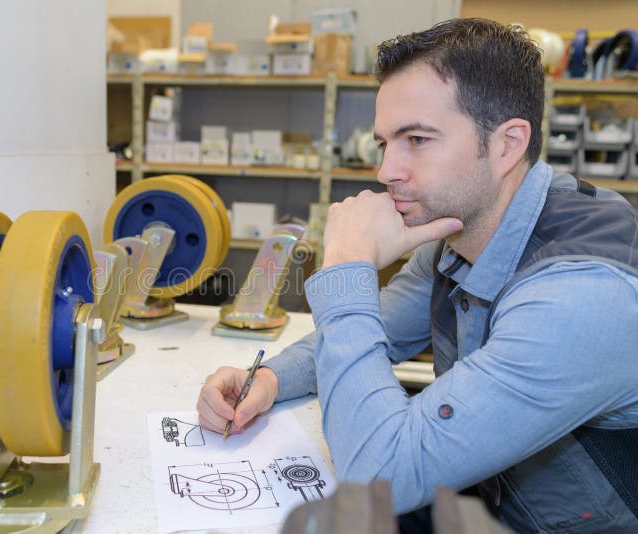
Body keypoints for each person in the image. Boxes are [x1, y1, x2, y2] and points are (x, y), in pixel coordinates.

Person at [197, 18, 638, 533]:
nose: (387, 171)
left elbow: (378, 472)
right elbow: (375, 331)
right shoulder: (461, 226)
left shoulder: (582, 298)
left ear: (507, 144)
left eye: (418, 139)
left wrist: (347, 267)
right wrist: (270, 379)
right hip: (487, 502)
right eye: (386, 142)